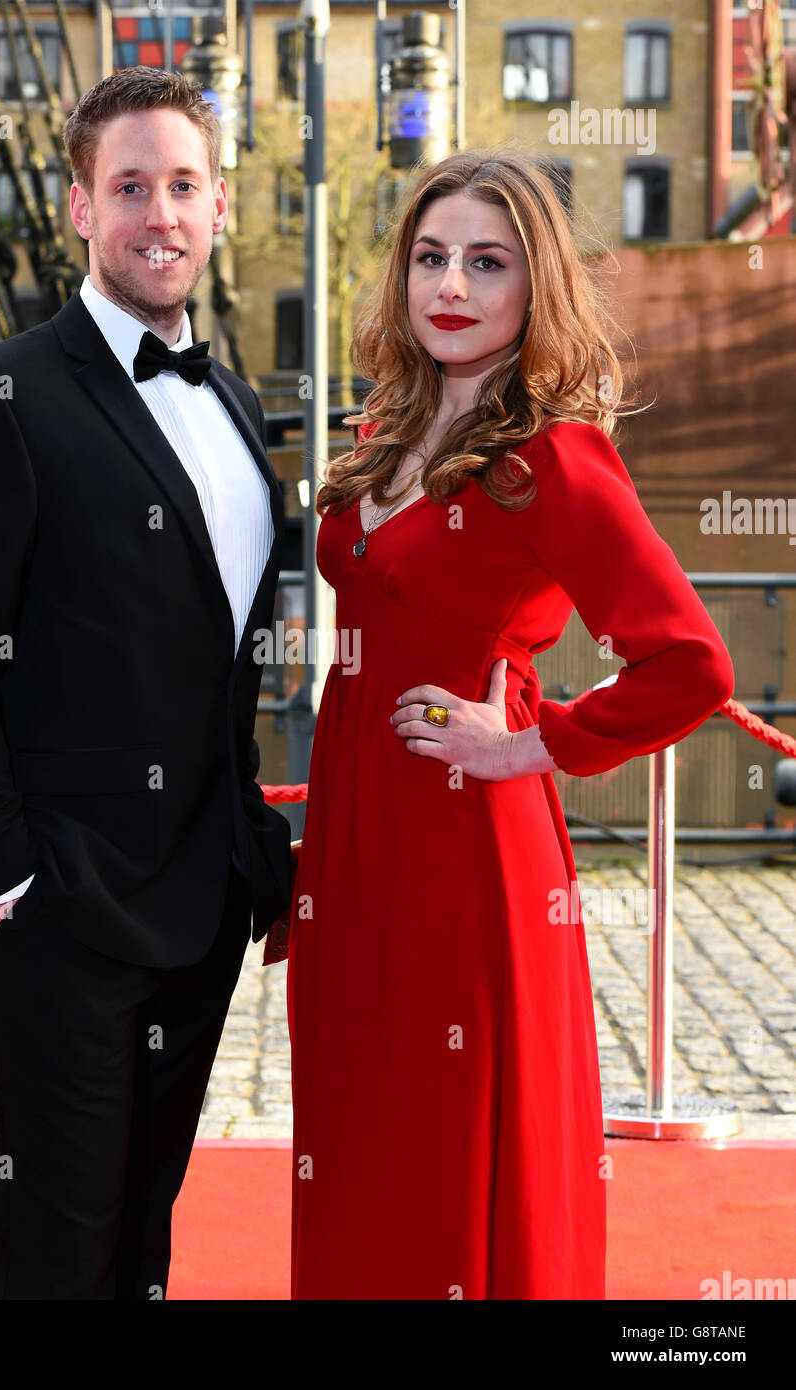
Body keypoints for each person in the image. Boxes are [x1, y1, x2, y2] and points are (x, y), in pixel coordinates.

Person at [280, 149, 735, 1299]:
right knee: (361, 1126)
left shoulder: (555, 458)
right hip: (357, 841)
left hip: (470, 853)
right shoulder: (385, 431)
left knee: (454, 1139)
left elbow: (690, 663)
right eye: (432, 257)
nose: (454, 285)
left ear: (535, 287)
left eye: (489, 262)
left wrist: (529, 742)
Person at [0, 66, 291, 1299]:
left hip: (198, 906)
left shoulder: (232, 402)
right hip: (56, 914)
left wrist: (249, 851)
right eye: (129, 187)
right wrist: (5, 878)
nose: (157, 214)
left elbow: (215, 661)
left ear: (221, 204)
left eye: (181, 185)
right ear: (80, 207)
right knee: (45, 1256)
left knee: (139, 1238)